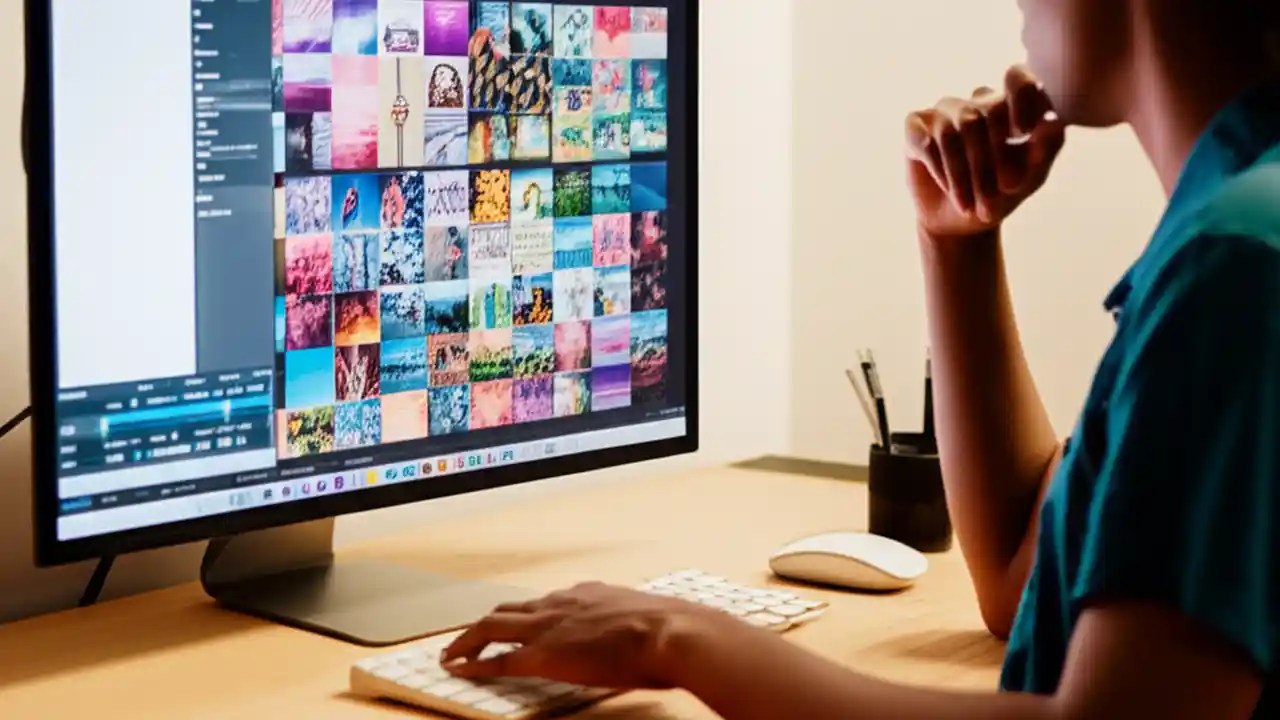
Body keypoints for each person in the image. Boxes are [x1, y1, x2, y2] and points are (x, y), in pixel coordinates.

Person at [440, 1, 1280, 717]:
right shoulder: (1244, 218)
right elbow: (1022, 583)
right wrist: (957, 241)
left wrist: (676, 637)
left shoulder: (1237, 263)